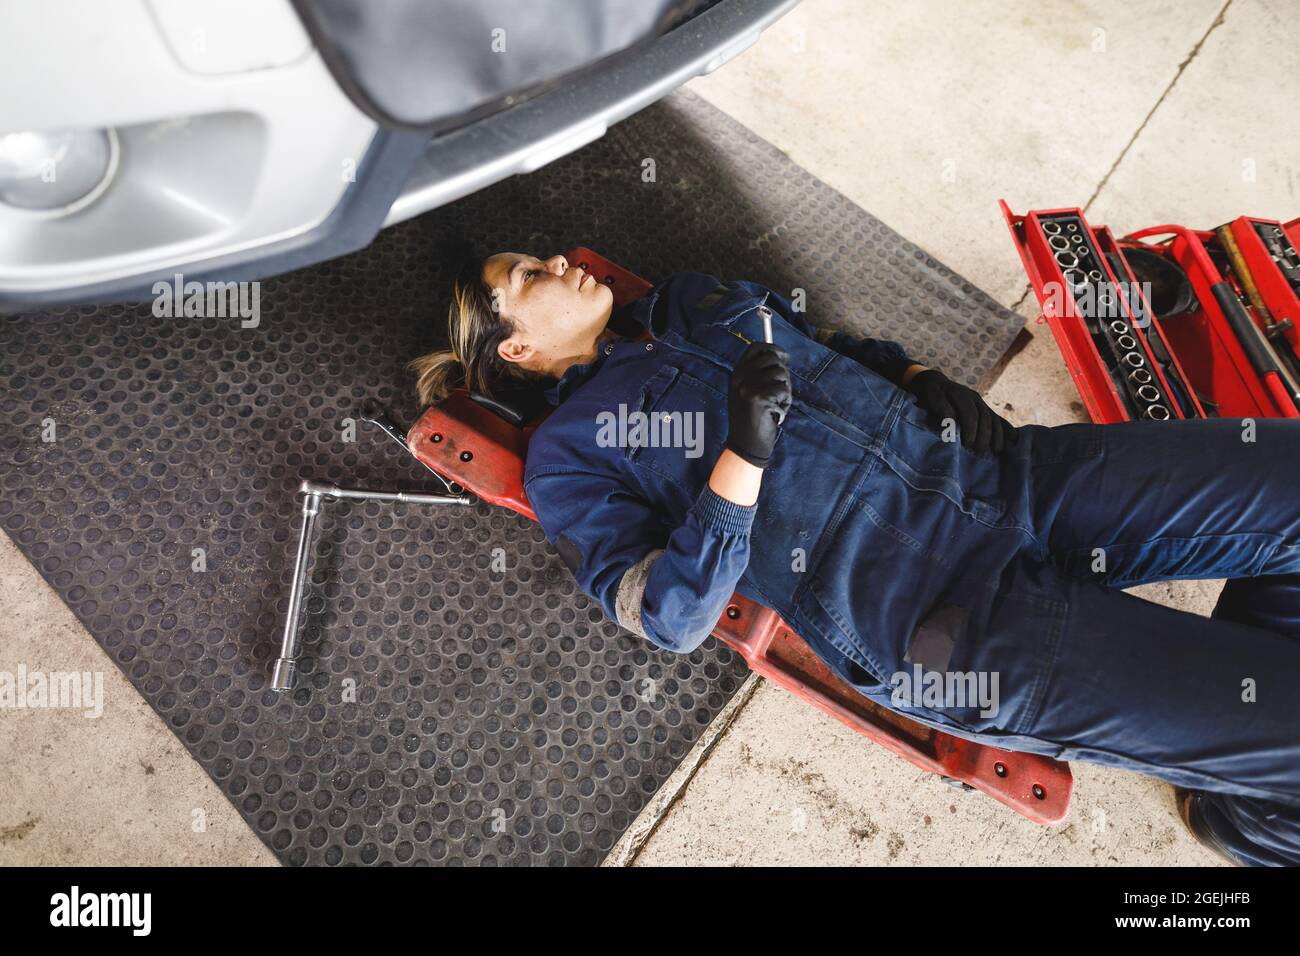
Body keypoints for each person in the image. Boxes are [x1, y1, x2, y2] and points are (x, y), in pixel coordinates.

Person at [410, 248, 1300, 866]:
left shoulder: (685, 300)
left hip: (1008, 480)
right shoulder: (571, 449)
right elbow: (666, 615)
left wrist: (919, 380)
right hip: (941, 619)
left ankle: (1250, 777)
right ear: (518, 350)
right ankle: (1257, 816)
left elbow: (831, 346)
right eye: (527, 277)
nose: (557, 265)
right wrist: (740, 461)